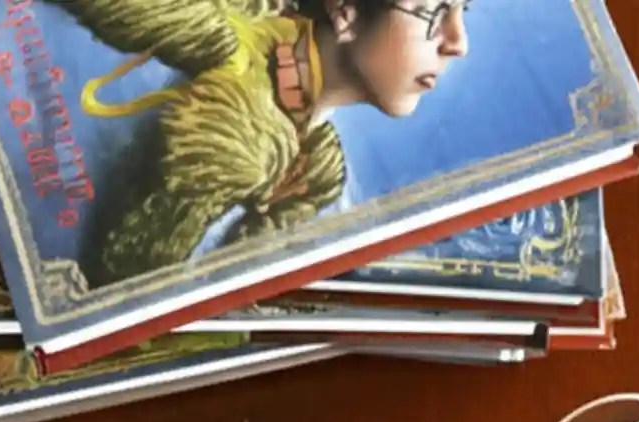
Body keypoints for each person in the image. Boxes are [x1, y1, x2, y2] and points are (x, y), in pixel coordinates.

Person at [55, 0, 471, 283]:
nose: (458, 44)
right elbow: (128, 282)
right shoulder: (246, 128)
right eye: (432, 11)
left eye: (461, 10)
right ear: (345, 11)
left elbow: (236, 277)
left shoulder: (318, 169)